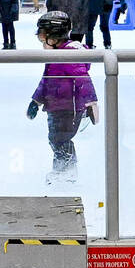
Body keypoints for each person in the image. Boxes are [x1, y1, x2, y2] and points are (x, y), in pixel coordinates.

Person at [26, 10, 98, 184]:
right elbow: (46, 81)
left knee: (61, 138)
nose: (41, 42)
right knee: (55, 138)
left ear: (55, 36)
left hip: (70, 108)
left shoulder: (69, 55)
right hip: (56, 106)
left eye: (43, 38)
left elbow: (83, 79)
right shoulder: (56, 54)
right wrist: (36, 100)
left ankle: (66, 170)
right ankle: (63, 169)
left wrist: (91, 103)